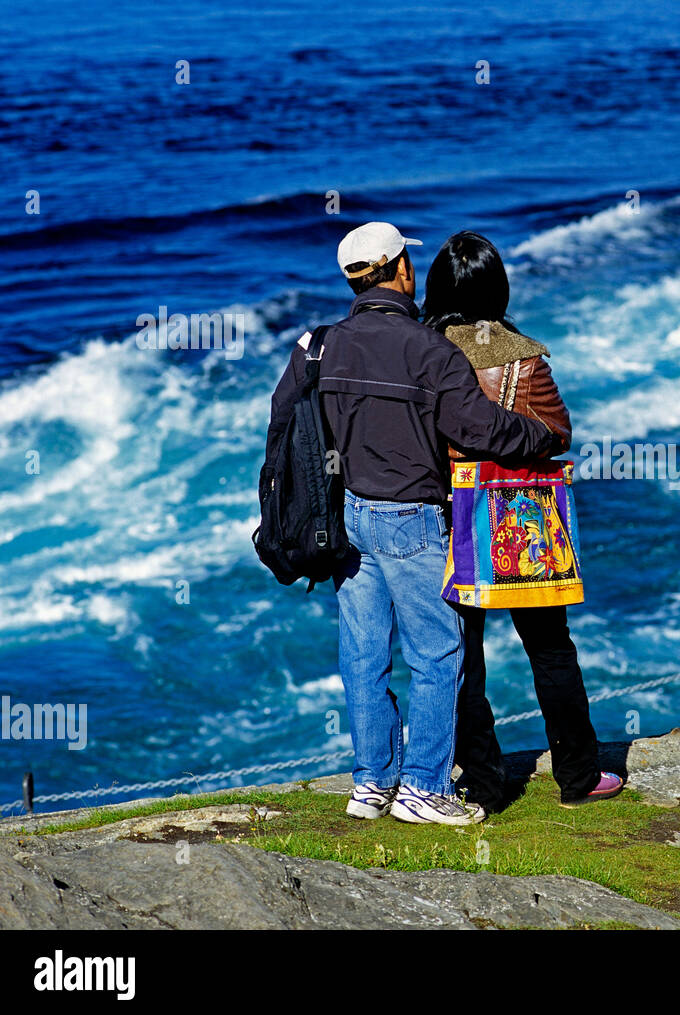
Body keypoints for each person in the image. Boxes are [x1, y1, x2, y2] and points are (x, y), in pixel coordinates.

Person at [267, 222, 561, 824]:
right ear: (401, 270)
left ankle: (372, 782)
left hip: (346, 518)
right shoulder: (431, 351)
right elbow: (481, 429)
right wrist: (544, 435)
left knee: (364, 655)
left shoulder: (317, 345)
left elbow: (281, 428)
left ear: (353, 278)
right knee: (437, 654)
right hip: (413, 521)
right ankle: (425, 787)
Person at [422, 230, 624, 810]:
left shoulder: (422, 350)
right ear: (497, 287)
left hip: (443, 518)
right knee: (551, 650)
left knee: (461, 656)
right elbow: (559, 433)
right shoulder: (520, 357)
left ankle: (482, 786)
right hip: (518, 518)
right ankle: (578, 778)